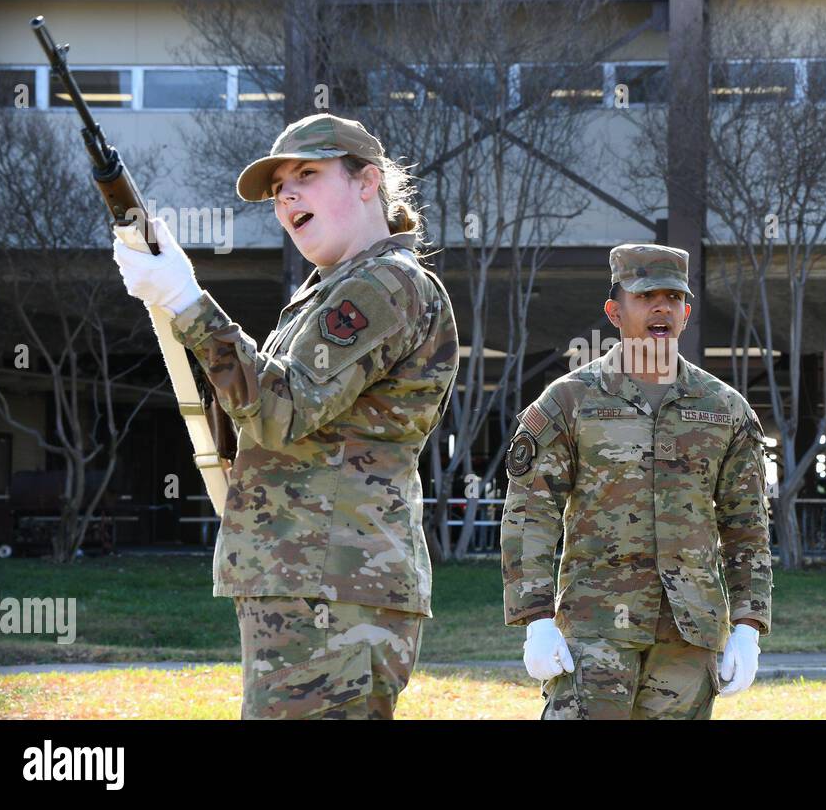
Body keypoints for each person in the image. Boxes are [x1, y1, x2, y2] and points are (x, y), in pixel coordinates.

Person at [112, 113, 458, 719]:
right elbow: (260, 421)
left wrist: (188, 300)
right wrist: (174, 298)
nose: (287, 195)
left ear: (367, 182)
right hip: (311, 576)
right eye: (278, 189)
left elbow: (279, 411)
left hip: (333, 584)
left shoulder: (383, 284)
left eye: (307, 174)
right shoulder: (329, 292)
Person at [500, 244, 773, 719]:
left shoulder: (724, 409)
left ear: (686, 312)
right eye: (645, 296)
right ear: (614, 311)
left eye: (673, 296)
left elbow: (746, 525)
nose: (661, 307)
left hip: (689, 637)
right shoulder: (570, 401)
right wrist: (536, 618)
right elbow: (531, 513)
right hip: (594, 631)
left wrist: (748, 624)